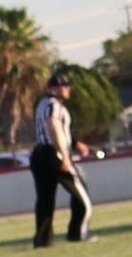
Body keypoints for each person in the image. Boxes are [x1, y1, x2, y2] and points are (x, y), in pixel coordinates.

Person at [30, 66, 93, 247]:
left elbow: (57, 130)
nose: (67, 89)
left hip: (39, 155)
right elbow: (54, 128)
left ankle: (43, 241)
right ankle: (77, 233)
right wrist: (65, 156)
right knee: (82, 198)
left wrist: (75, 143)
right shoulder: (54, 105)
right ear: (53, 89)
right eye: (64, 86)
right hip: (54, 155)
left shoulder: (42, 105)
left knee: (45, 201)